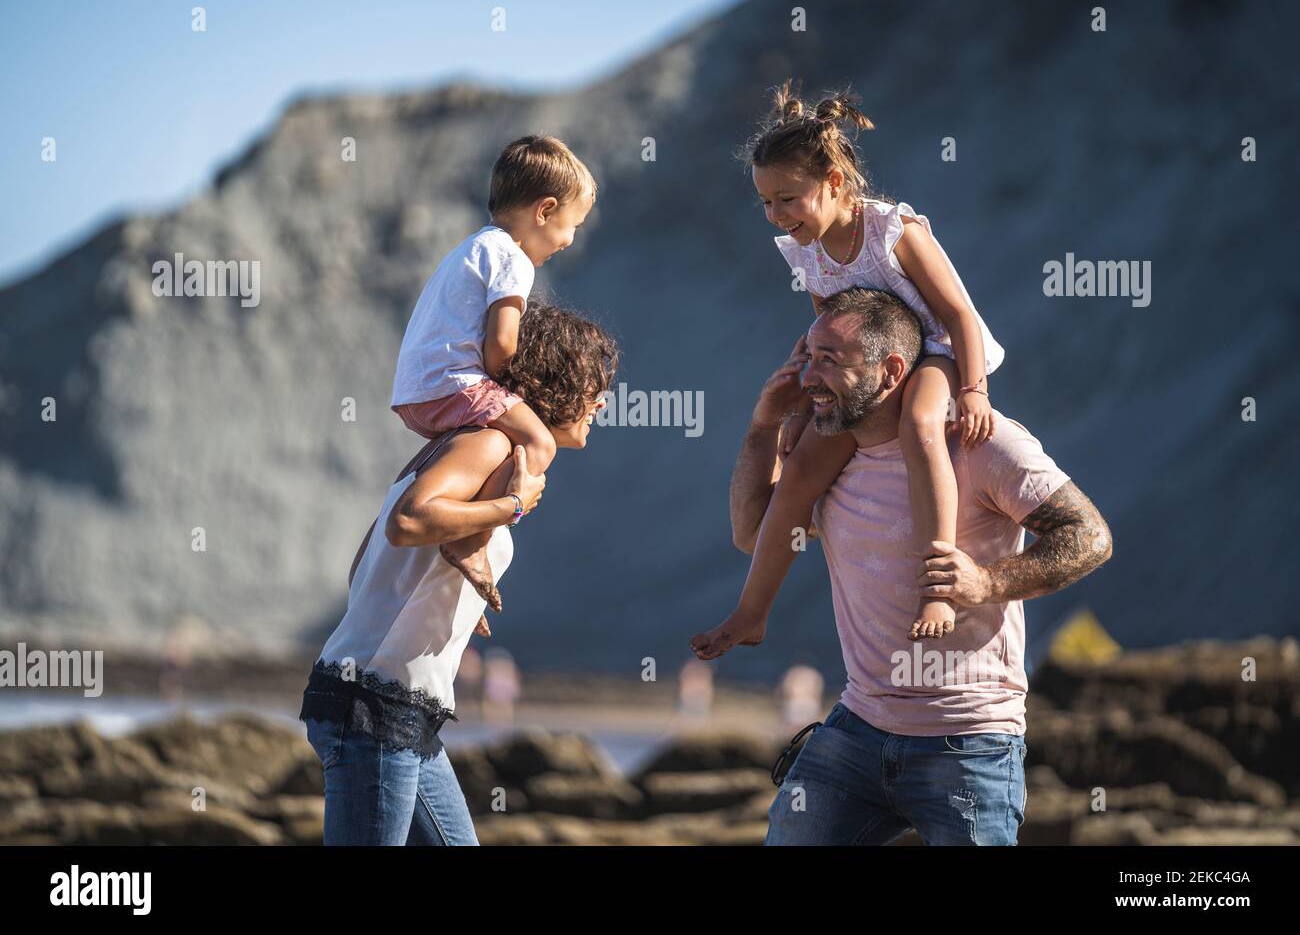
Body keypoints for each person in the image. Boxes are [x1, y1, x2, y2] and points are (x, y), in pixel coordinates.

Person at [710, 287, 1112, 845]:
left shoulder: (982, 444)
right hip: (857, 727)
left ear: (891, 370)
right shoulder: (828, 455)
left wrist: (986, 581)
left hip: (968, 740)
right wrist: (761, 429)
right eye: (808, 358)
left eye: (830, 361)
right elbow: (753, 533)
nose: (808, 380)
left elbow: (1089, 536)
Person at [691, 81, 1003, 654]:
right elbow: (827, 334)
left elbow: (959, 313)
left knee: (920, 428)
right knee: (801, 472)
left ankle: (938, 585)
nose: (776, 215)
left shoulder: (893, 231)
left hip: (937, 351)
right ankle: (751, 612)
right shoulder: (805, 249)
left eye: (788, 198)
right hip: (867, 372)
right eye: (765, 202)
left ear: (834, 183)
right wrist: (804, 408)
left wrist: (974, 390)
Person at [300, 302, 618, 845]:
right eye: (594, 383)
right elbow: (406, 522)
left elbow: (367, 566)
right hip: (376, 711)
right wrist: (512, 506)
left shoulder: (458, 446)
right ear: (557, 380)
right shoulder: (488, 443)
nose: (603, 400)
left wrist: (446, 605)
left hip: (400, 714)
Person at [390, 135, 597, 613]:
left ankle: (463, 538)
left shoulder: (472, 247)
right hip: (457, 382)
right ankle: (471, 540)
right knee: (540, 443)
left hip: (419, 390)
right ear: (545, 210)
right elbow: (503, 341)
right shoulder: (513, 258)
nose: (569, 241)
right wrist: (512, 387)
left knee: (507, 440)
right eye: (573, 226)